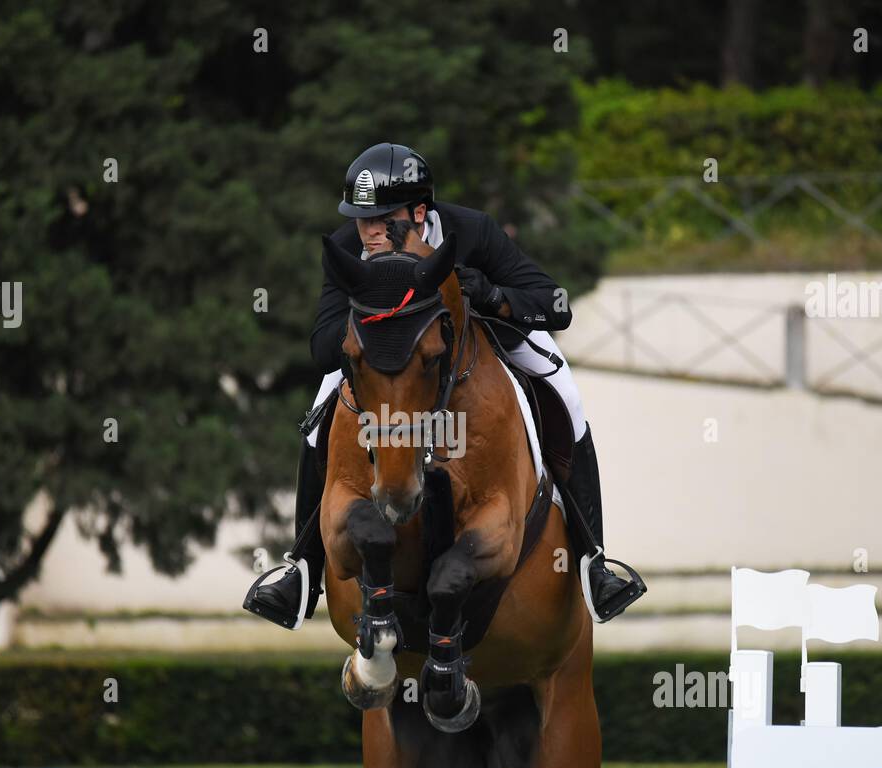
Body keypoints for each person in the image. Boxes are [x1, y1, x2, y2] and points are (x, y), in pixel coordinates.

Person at [244, 142, 641, 629]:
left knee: (564, 389)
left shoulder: (471, 230)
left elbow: (555, 305)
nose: (367, 231)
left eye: (381, 218)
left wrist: (492, 296)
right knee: (319, 410)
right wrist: (364, 317)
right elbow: (323, 346)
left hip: (481, 338)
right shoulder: (349, 249)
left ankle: (593, 559)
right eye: (360, 218)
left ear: (419, 211)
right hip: (386, 359)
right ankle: (301, 567)